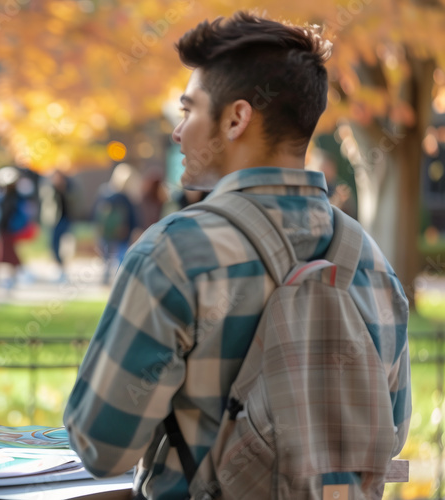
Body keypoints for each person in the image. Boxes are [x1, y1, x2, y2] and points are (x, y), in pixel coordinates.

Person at [64, 12, 409, 499]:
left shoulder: (175, 251)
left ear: (235, 118)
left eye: (189, 111)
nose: (178, 132)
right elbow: (390, 435)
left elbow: (101, 446)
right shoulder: (373, 264)